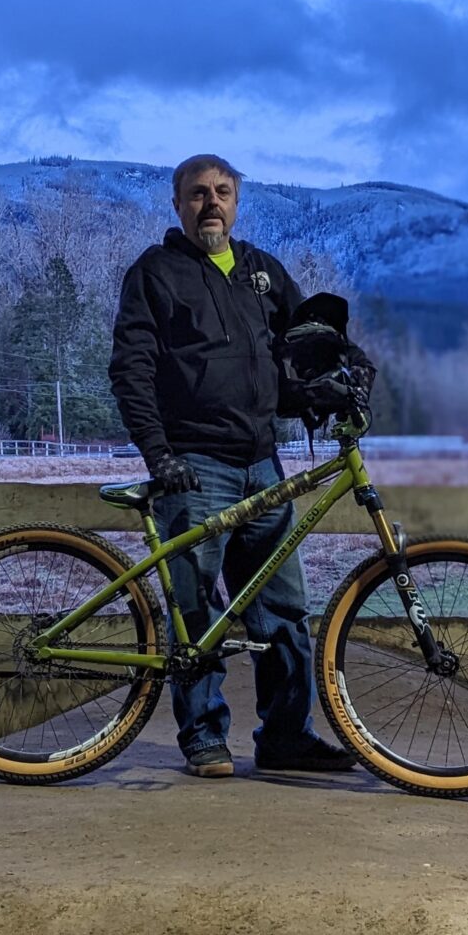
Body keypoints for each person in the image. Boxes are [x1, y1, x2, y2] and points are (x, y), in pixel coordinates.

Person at [109, 153, 367, 779]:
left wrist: (341, 375)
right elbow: (131, 369)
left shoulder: (260, 272)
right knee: (196, 610)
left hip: (262, 464)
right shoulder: (156, 273)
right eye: (198, 193)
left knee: (283, 610)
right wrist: (159, 453)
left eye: (222, 192)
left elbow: (303, 344)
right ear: (177, 204)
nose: (211, 203)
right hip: (193, 467)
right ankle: (202, 737)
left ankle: (285, 738)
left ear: (237, 201)